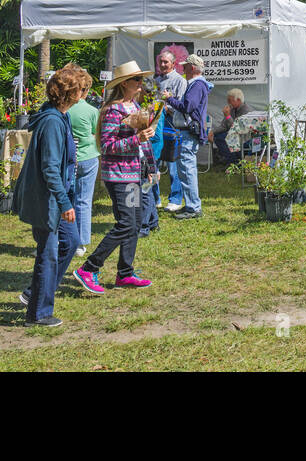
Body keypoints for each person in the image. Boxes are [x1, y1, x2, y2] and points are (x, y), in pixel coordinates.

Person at [13, 66, 90, 327]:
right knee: (47, 255)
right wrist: (64, 202)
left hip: (56, 197)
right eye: (82, 88)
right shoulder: (53, 122)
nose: (85, 93)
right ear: (70, 92)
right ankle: (38, 314)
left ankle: (35, 294)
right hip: (48, 200)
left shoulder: (60, 116)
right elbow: (50, 167)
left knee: (70, 243)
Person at [74, 62, 157, 293]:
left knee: (135, 222)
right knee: (126, 223)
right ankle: (89, 268)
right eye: (137, 80)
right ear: (125, 84)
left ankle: (125, 273)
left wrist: (150, 165)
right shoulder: (113, 110)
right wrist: (136, 139)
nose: (141, 84)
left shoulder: (133, 106)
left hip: (133, 174)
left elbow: (144, 141)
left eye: (141, 79)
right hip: (119, 175)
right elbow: (108, 145)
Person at [163, 55, 211, 219]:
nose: (182, 69)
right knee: (185, 170)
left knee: (187, 170)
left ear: (192, 68)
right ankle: (191, 204)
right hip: (188, 133)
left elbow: (187, 106)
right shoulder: (196, 84)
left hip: (188, 134)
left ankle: (193, 208)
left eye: (185, 66)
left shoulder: (197, 85)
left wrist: (170, 99)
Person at [66, 69, 101, 255]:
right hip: (88, 157)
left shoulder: (64, 109)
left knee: (64, 199)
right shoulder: (92, 111)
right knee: (83, 201)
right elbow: (97, 134)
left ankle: (62, 238)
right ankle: (80, 242)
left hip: (69, 159)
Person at [154, 50, 187, 214]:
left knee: (173, 165)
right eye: (161, 62)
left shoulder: (180, 81)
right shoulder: (156, 80)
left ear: (173, 64)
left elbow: (182, 105)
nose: (162, 65)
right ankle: (155, 199)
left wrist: (166, 107)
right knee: (153, 163)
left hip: (172, 126)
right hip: (156, 128)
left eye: (166, 62)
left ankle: (175, 199)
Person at [210, 89, 250, 165]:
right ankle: (233, 162)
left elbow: (238, 128)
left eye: (230, 100)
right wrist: (212, 132)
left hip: (243, 139)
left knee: (221, 138)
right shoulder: (232, 109)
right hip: (233, 137)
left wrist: (228, 116)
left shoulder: (245, 110)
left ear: (238, 100)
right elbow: (224, 126)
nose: (228, 103)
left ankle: (234, 163)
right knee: (218, 136)